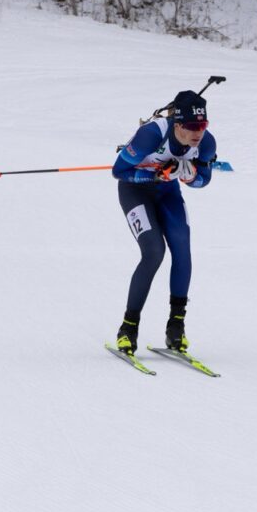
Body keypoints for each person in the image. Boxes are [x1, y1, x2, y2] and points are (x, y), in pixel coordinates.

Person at [111, 90, 217, 356]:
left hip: (168, 194)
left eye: (202, 126)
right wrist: (157, 175)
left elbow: (204, 180)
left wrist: (191, 176)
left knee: (182, 248)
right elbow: (119, 171)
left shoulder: (206, 143)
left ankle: (176, 326)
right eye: (192, 127)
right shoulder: (151, 135)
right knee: (154, 252)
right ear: (177, 124)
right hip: (135, 192)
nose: (198, 133)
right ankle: (128, 327)